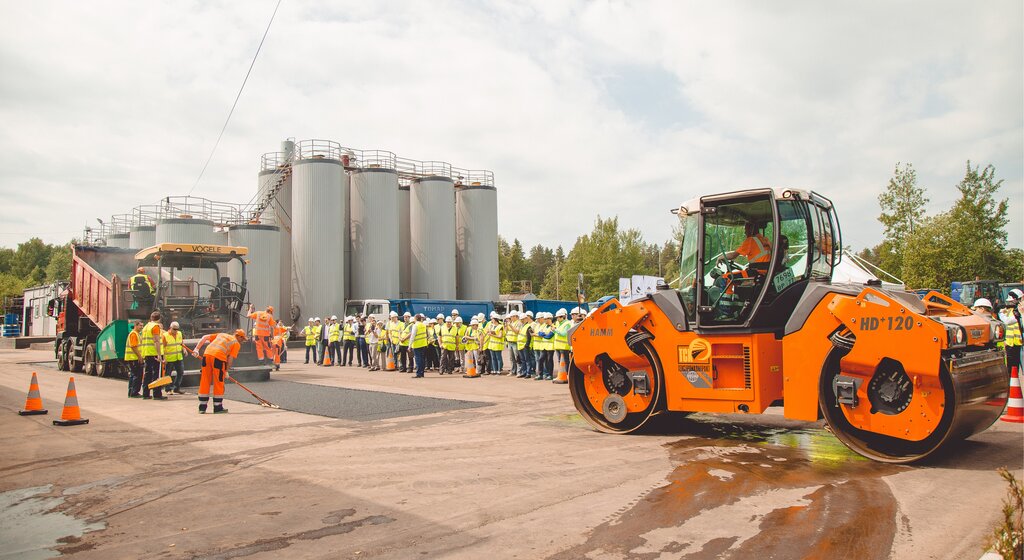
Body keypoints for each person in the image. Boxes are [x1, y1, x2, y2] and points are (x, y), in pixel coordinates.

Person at [192, 329, 247, 414]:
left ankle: (202, 407)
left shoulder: (222, 334)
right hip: (219, 359)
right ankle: (218, 407)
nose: (242, 341)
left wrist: (196, 349)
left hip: (206, 356)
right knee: (219, 382)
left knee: (205, 380)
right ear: (239, 336)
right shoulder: (236, 343)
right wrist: (226, 371)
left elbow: (205, 337)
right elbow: (230, 358)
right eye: (242, 339)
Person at [140, 311, 166, 400]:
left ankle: (145, 393)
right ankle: (157, 394)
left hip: (147, 352)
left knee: (147, 374)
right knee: (156, 374)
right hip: (154, 353)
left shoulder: (146, 327)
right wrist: (159, 354)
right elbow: (156, 341)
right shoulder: (155, 327)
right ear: (159, 319)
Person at [1002, 289, 1023, 371]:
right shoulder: (1006, 311)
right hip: (1010, 344)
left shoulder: (1019, 311)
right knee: (1012, 367)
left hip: (1019, 343)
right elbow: (1007, 321)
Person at [164, 321, 187, 394]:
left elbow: (181, 343)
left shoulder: (179, 333)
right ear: (170, 328)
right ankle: (168, 389)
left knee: (180, 372)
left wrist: (184, 349)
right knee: (168, 374)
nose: (176, 331)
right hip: (169, 358)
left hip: (178, 357)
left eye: (177, 329)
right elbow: (163, 347)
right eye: (174, 329)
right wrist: (164, 358)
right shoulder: (165, 335)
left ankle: (176, 388)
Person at [125, 320, 145, 397]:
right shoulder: (133, 334)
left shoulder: (136, 334)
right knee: (137, 375)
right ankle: (134, 392)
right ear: (136, 326)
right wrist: (140, 357)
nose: (142, 327)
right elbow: (133, 346)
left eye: (142, 326)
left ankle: (132, 392)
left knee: (134, 375)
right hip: (134, 358)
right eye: (140, 325)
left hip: (133, 358)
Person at [552, 308, 572, 376]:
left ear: (563, 317)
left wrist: (555, 330)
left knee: (566, 362)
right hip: (558, 346)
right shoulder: (558, 323)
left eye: (558, 317)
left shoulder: (567, 324)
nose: (557, 319)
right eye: (557, 317)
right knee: (560, 362)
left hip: (564, 347)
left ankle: (567, 375)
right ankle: (561, 375)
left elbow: (564, 334)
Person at [516, 311, 535, 379]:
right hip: (520, 345)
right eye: (521, 319)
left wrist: (527, 345)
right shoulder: (522, 326)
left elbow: (529, 337)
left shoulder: (528, 327)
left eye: (522, 319)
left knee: (527, 360)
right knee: (522, 360)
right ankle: (524, 372)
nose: (521, 320)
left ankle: (528, 373)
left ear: (526, 319)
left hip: (525, 346)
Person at [409, 314, 429, 378]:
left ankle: (418, 373)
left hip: (417, 344)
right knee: (422, 359)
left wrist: (409, 345)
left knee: (418, 359)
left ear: (415, 319)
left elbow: (412, 336)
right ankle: (422, 373)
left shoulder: (415, 325)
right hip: (424, 344)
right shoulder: (423, 325)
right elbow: (427, 334)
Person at [506, 311, 521, 376]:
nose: (510, 318)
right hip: (509, 342)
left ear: (515, 316)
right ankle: (513, 371)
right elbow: (507, 332)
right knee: (511, 358)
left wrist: (510, 326)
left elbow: (517, 331)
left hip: (515, 342)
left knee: (517, 357)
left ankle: (519, 371)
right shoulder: (511, 322)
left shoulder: (518, 323)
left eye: (511, 316)